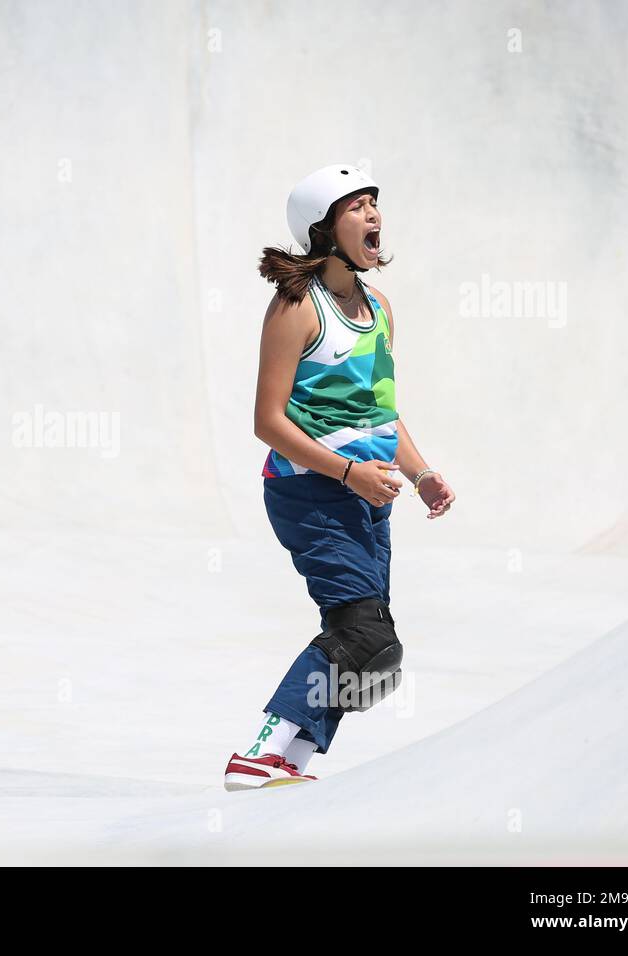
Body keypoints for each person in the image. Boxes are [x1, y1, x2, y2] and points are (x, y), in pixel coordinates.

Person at [223, 164, 456, 791]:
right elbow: (267, 421)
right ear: (324, 231)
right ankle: (261, 750)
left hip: (368, 496)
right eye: (356, 208)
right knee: (364, 636)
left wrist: (422, 471)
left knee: (374, 657)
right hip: (310, 492)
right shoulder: (298, 307)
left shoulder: (377, 308)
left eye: (375, 204)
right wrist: (348, 472)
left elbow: (383, 411)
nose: (373, 216)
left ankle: (286, 764)